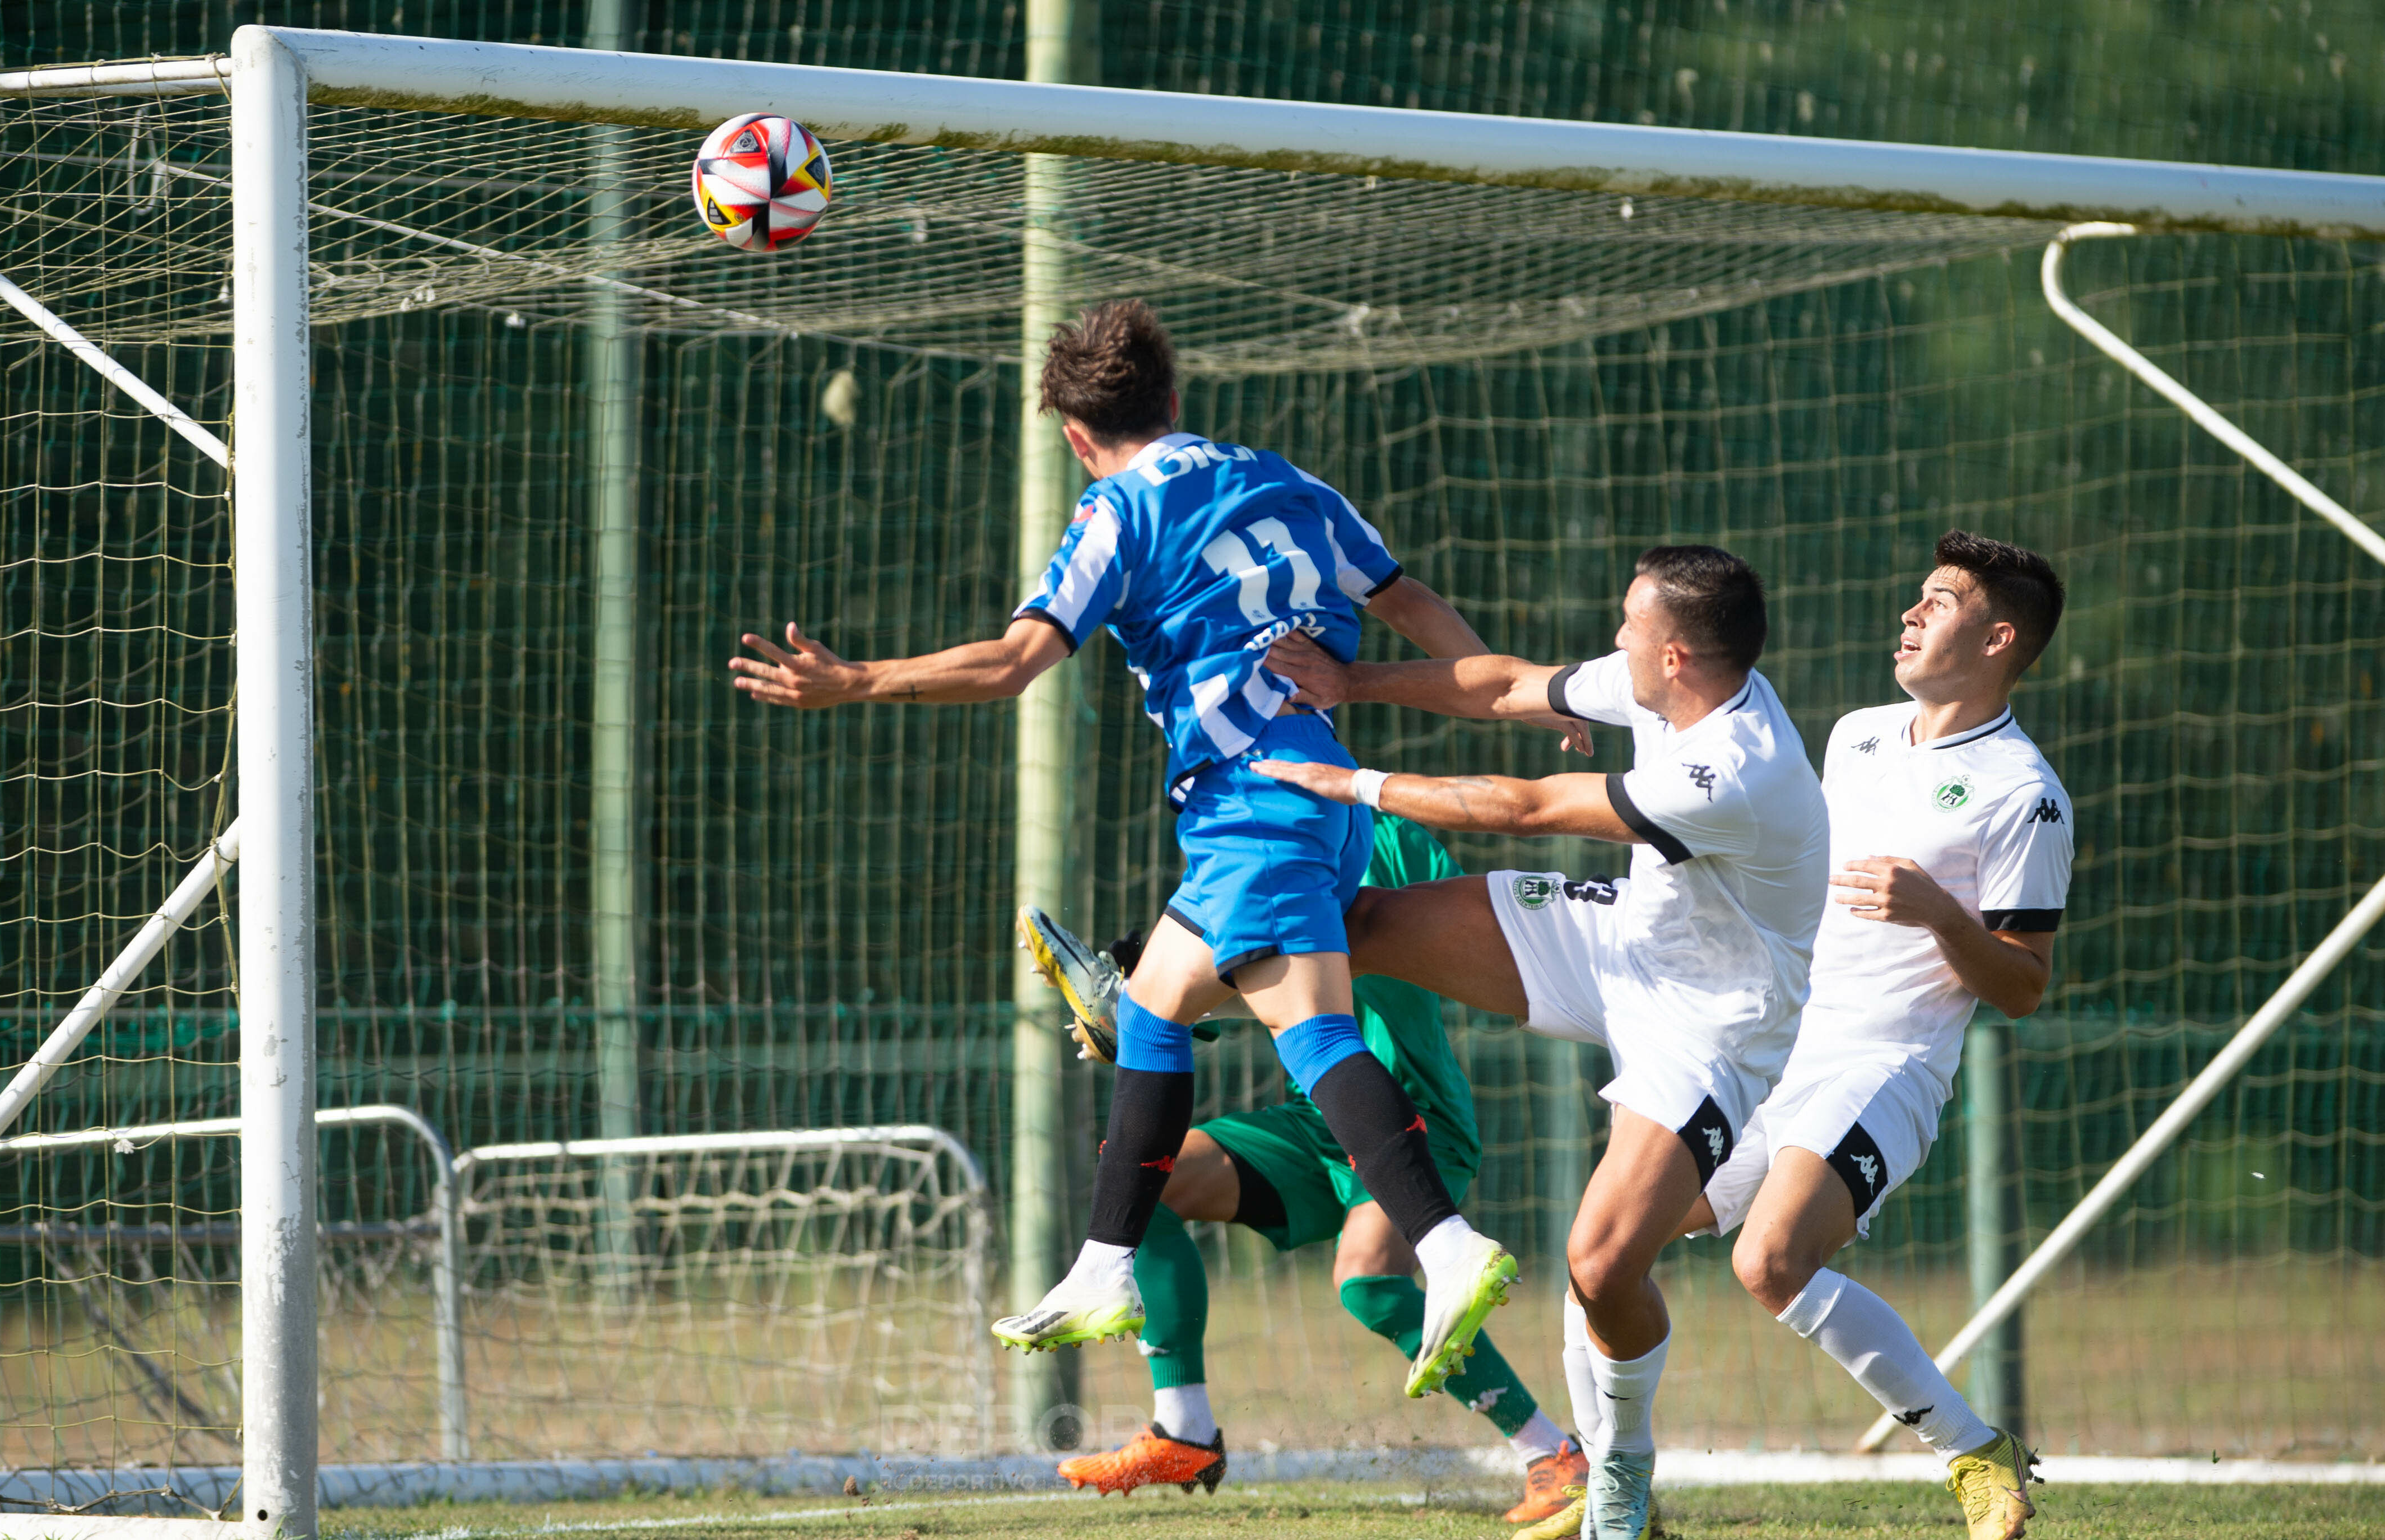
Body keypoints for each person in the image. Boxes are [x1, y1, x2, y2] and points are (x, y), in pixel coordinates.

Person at [729, 298, 1537, 1402]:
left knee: (1308, 1038)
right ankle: (1108, 1264)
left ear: (1073, 433)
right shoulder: (1286, 479)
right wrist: (1499, 687)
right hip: (1317, 797)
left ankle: (1446, 1245)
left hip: (1252, 801)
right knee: (1152, 1009)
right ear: (1173, 398)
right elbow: (1408, 601)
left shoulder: (1116, 510)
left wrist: (857, 680)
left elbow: (1016, 662)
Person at [1250, 546, 1828, 1540]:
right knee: (1359, 921)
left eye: (1628, 626)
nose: (1613, 639)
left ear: (1678, 653)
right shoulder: (1674, 686)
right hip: (1617, 934)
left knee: (1599, 1264)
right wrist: (1351, 680)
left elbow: (1521, 804)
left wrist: (1352, 782)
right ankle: (1144, 986)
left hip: (1710, 1022)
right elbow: (1510, 684)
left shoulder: (1730, 770)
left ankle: (1622, 1464)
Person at [1017, 814, 1587, 1522]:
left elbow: (1345, 950)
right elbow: (1236, 968)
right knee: (1145, 1183)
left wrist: (1184, 984)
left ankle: (1554, 1455)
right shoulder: (1252, 831)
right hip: (1315, 1124)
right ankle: (1184, 1429)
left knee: (1371, 1286)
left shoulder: (1386, 838)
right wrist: (1141, 998)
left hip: (1416, 1119)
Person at [1676, 533, 2068, 1540]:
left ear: (1998, 637)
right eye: (1916, 597)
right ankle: (1597, 1485)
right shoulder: (1853, 731)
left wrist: (1942, 913)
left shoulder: (2024, 790)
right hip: (1774, 1039)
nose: (1908, 612)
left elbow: (2022, 984)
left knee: (1768, 1261)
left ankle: (1973, 1450)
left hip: (1883, 1063)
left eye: (1936, 602)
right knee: (1610, 1240)